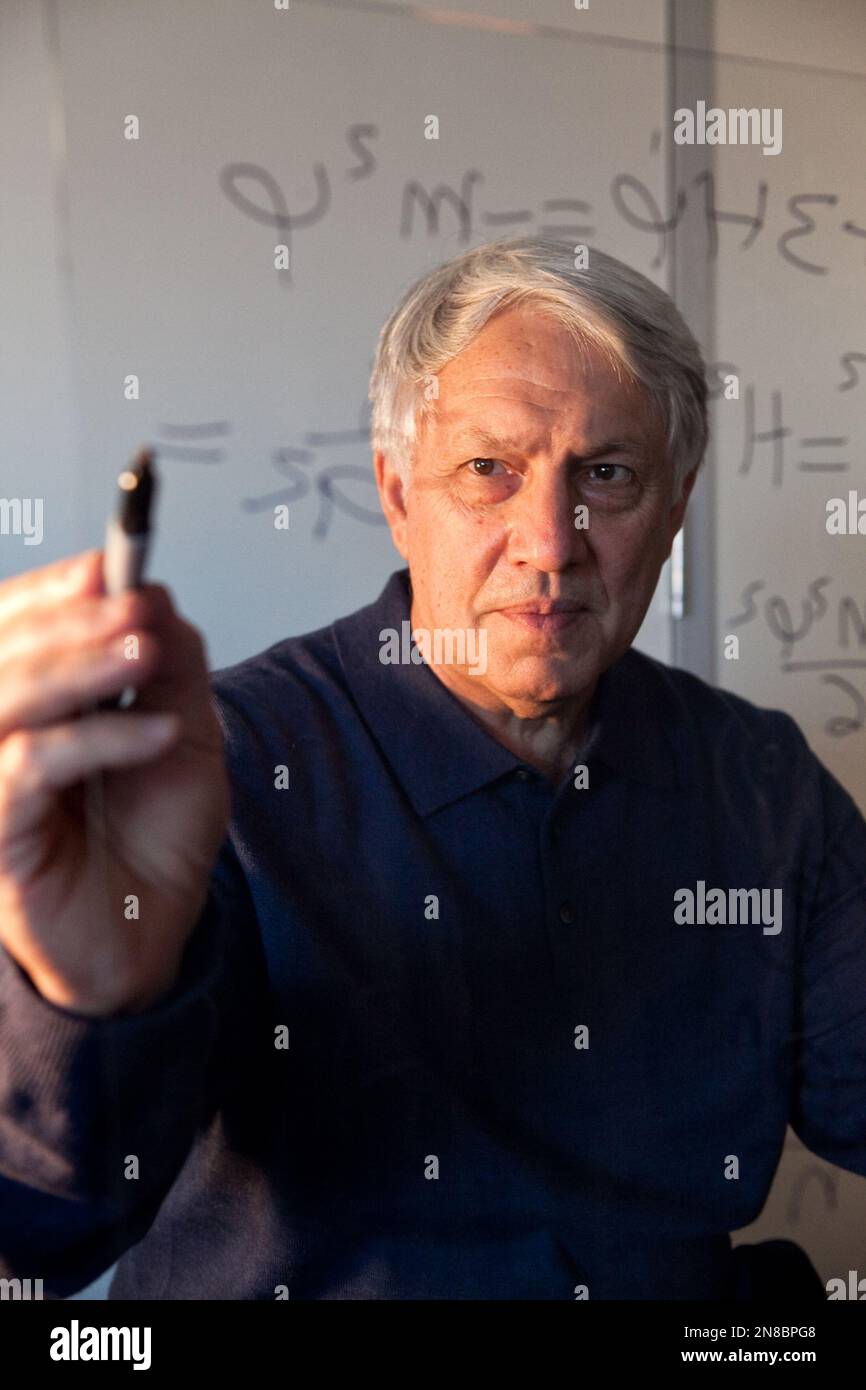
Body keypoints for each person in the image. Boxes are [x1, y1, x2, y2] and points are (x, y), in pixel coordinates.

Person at [0, 237, 860, 1300]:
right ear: (398, 492)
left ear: (674, 506)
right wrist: (75, 995)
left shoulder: (763, 783)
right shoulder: (210, 777)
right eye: (487, 470)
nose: (549, 541)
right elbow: (35, 1237)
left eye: (606, 474)